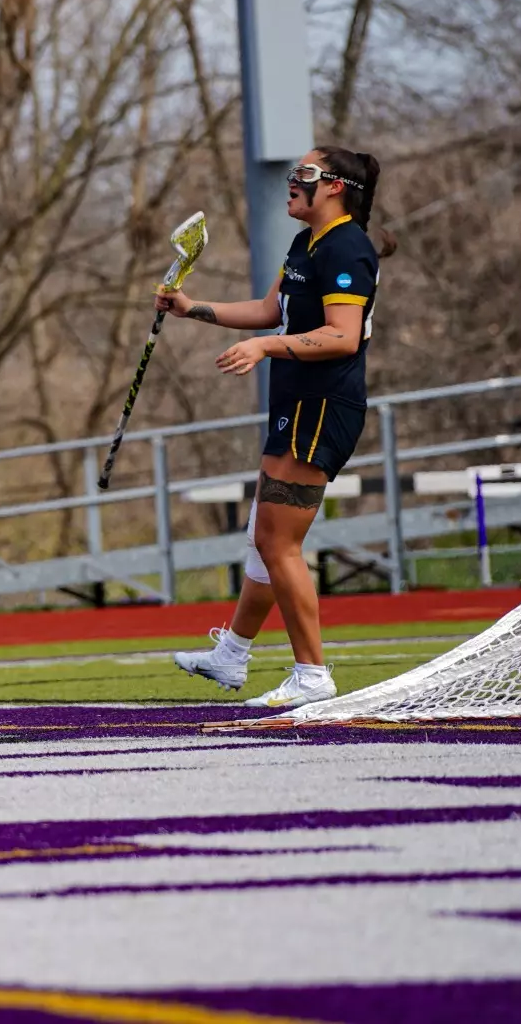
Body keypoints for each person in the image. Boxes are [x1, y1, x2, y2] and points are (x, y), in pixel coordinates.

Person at [157, 147, 395, 710]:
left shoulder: (346, 247)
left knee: (276, 541)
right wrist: (193, 308)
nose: (292, 181)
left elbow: (342, 335)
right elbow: (271, 310)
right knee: (262, 535)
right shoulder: (306, 243)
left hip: (323, 406)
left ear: (335, 187)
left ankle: (312, 674)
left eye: (304, 174)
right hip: (295, 402)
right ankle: (232, 653)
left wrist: (264, 348)